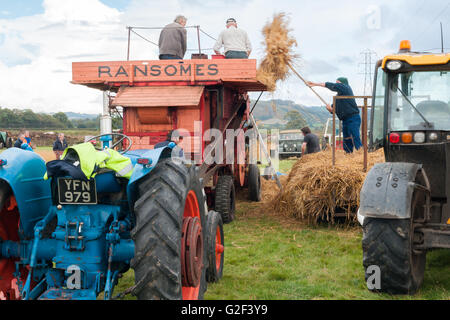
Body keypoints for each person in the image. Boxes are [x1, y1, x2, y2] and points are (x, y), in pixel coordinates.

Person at [306, 77, 362, 153]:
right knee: (346, 138)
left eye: (337, 83)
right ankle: (348, 154)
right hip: (345, 120)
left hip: (353, 118)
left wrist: (315, 84)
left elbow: (333, 86)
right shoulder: (337, 98)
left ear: (343, 83)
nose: (336, 85)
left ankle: (360, 152)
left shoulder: (346, 88)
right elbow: (333, 110)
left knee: (355, 136)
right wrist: (329, 109)